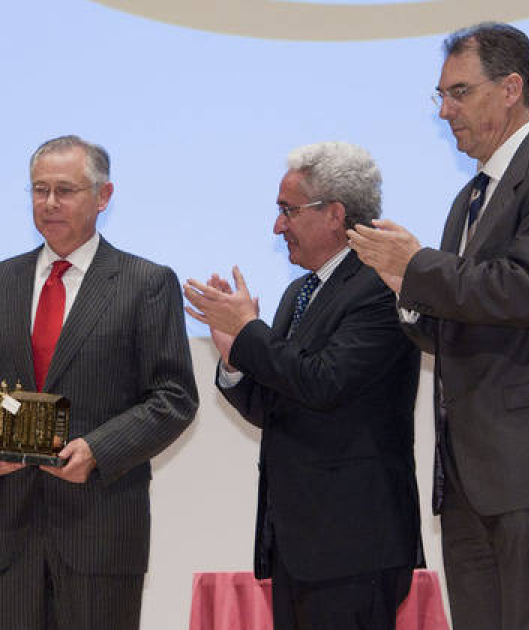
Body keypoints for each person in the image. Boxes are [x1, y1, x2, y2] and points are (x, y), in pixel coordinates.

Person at [347, 22, 529, 630]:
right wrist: (407, 295)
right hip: (470, 474)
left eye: (459, 92)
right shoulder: (468, 199)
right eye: (439, 95)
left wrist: (416, 268)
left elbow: (524, 289)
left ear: (511, 87)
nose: (445, 111)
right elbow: (459, 324)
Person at [0, 135, 198, 630]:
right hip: (10, 537)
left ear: (103, 196)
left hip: (101, 533)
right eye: (38, 190)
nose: (49, 203)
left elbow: (174, 397)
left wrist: (97, 451)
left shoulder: (145, 282)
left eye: (64, 190)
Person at [185, 141, 421, 630]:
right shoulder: (299, 292)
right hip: (298, 545)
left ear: (334, 214)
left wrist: (251, 331)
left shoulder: (379, 286)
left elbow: (324, 382)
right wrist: (234, 357)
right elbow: (280, 404)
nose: (277, 226)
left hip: (355, 546)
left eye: (286, 211)